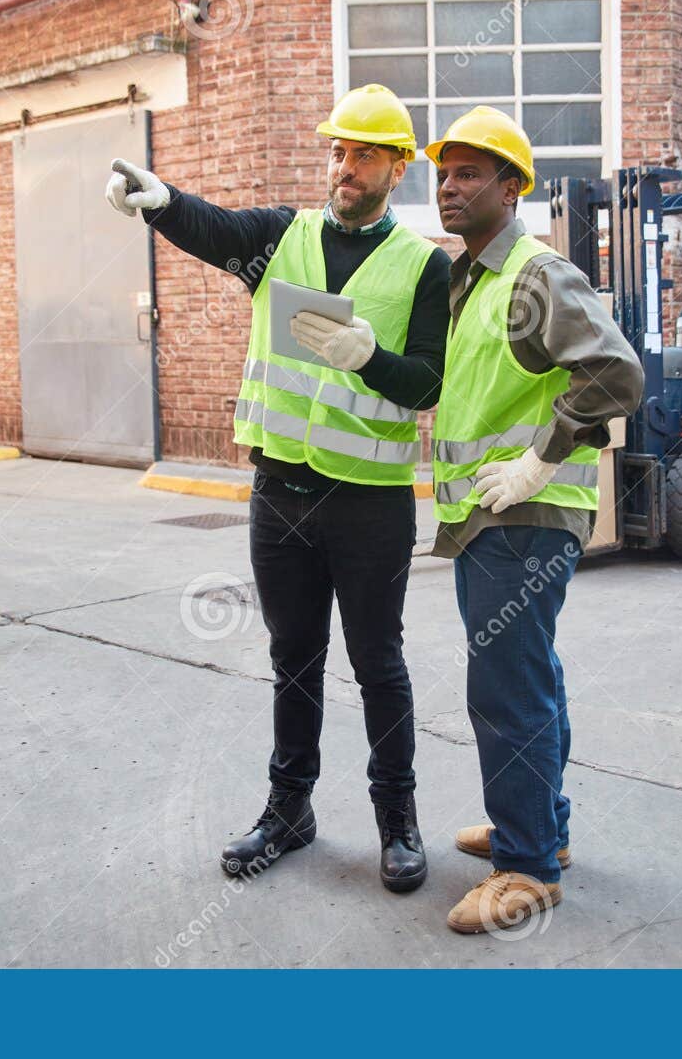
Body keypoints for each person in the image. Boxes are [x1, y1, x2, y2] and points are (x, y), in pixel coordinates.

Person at [106, 84, 451, 894]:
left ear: (396, 168)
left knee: (379, 664)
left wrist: (371, 357)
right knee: (293, 658)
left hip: (369, 503)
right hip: (280, 495)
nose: (345, 165)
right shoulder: (281, 238)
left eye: (364, 153)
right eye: (337, 149)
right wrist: (162, 202)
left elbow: (427, 385)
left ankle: (396, 820)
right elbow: (214, 229)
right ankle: (288, 808)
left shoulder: (423, 266)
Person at [424, 106, 644, 935]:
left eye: (470, 172)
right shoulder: (473, 276)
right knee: (530, 676)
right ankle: (539, 824)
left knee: (505, 687)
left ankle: (527, 866)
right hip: (494, 515)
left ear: (512, 188)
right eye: (444, 172)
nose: (450, 186)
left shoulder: (532, 273)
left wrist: (537, 460)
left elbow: (618, 376)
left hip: (526, 510)